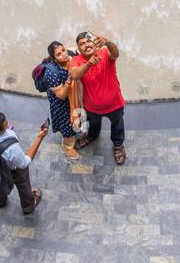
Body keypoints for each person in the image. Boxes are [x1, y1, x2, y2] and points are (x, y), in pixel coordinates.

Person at [70, 31, 126, 164]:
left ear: (95, 43)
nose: (86, 45)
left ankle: (118, 145)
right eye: (82, 44)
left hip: (114, 104)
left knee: (117, 126)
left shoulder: (105, 53)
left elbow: (115, 53)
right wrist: (88, 64)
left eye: (88, 41)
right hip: (91, 106)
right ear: (79, 49)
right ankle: (91, 136)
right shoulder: (76, 60)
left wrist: (108, 42)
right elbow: (75, 75)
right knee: (93, 125)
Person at [34, 41, 80, 160]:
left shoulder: (72, 55)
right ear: (54, 59)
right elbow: (61, 95)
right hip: (61, 102)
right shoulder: (52, 72)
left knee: (77, 115)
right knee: (67, 124)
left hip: (75, 95)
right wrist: (69, 80)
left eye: (63, 50)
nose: (64, 55)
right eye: (59, 54)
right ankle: (68, 145)